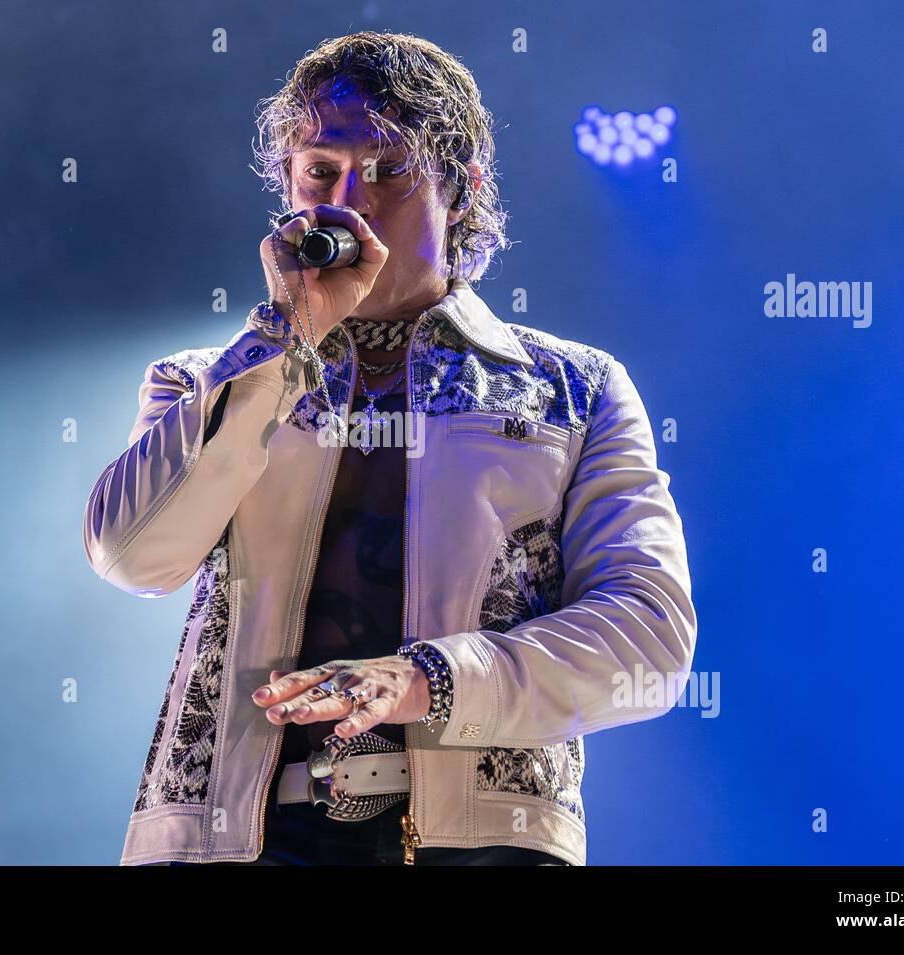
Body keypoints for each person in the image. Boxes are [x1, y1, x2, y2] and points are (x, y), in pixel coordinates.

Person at [82, 31, 697, 866]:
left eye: (387, 169)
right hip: (231, 841)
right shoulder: (205, 381)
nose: (351, 200)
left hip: (485, 843)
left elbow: (648, 638)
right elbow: (131, 555)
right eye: (321, 171)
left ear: (463, 185)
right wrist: (283, 344)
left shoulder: (575, 388)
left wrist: (427, 681)